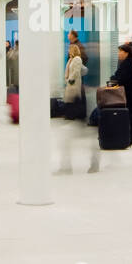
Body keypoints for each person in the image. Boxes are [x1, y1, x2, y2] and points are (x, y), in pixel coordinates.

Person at [58, 43, 99, 174]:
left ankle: (69, 166)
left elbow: (75, 74)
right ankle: (70, 165)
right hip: (76, 95)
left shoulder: (77, 59)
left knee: (73, 134)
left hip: (76, 96)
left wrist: (69, 81)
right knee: (76, 134)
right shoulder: (72, 60)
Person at [108, 42, 132, 147]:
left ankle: (129, 140)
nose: (119, 54)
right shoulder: (126, 63)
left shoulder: (128, 64)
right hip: (127, 94)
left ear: (126, 53)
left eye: (121, 51)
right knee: (129, 116)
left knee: (129, 117)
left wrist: (114, 80)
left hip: (128, 95)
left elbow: (121, 78)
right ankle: (128, 139)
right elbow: (117, 75)